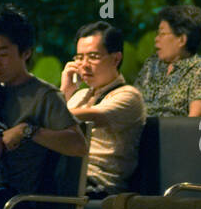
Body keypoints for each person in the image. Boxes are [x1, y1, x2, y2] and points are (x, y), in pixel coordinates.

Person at [0, 5, 87, 200]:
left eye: (3, 54)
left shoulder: (44, 96)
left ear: (26, 53)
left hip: (12, 198)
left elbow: (79, 145)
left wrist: (27, 131)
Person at [60, 21, 146, 196]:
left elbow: (87, 117)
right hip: (70, 173)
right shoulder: (80, 95)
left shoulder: (129, 95)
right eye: (79, 57)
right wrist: (66, 91)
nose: (83, 65)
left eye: (92, 57)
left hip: (99, 183)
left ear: (116, 58)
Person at [134, 5, 201, 117]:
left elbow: (196, 116)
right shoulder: (152, 65)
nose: (156, 39)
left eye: (162, 34)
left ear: (181, 40)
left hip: (174, 132)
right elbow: (133, 104)